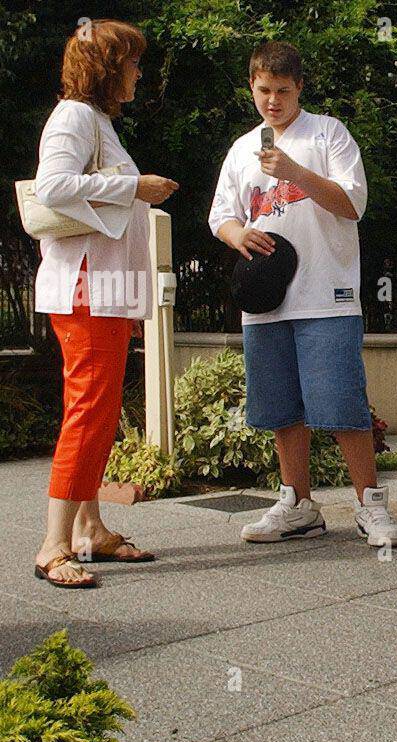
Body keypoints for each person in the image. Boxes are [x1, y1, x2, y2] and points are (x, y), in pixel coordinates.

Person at [209, 41, 397, 547]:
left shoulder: (328, 133)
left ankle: (371, 506)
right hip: (268, 301)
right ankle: (297, 504)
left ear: (300, 89)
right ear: (251, 87)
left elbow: (353, 203)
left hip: (326, 293)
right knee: (281, 408)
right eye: (264, 90)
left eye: (283, 91)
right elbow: (221, 215)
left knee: (342, 405)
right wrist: (237, 236)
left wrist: (295, 171)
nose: (272, 101)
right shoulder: (240, 149)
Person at [32, 19, 179, 589]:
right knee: (89, 412)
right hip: (86, 291)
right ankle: (53, 545)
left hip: (103, 292)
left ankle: (90, 528)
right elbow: (53, 186)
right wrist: (135, 188)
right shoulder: (74, 117)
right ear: (108, 66)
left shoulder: (93, 121)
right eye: (133, 62)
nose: (139, 73)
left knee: (99, 413)